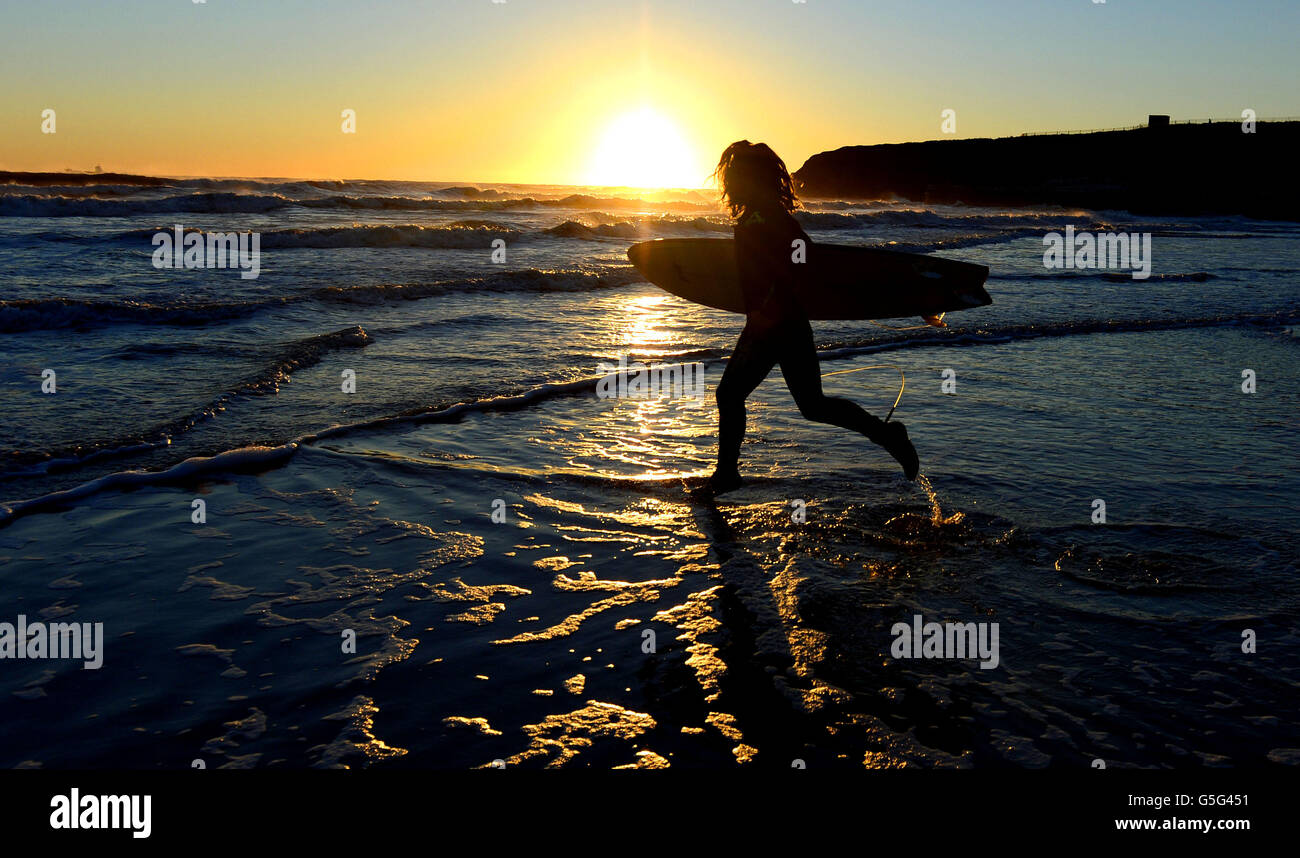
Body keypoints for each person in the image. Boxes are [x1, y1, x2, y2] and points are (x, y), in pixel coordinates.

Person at [700, 141, 920, 496]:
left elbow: (800, 257)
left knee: (729, 394)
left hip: (773, 324)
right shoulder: (763, 213)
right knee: (812, 405)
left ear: (746, 176)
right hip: (787, 322)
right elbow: (785, 260)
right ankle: (887, 435)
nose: (727, 178)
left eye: (733, 171)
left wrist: (768, 307)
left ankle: (727, 474)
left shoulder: (762, 216)